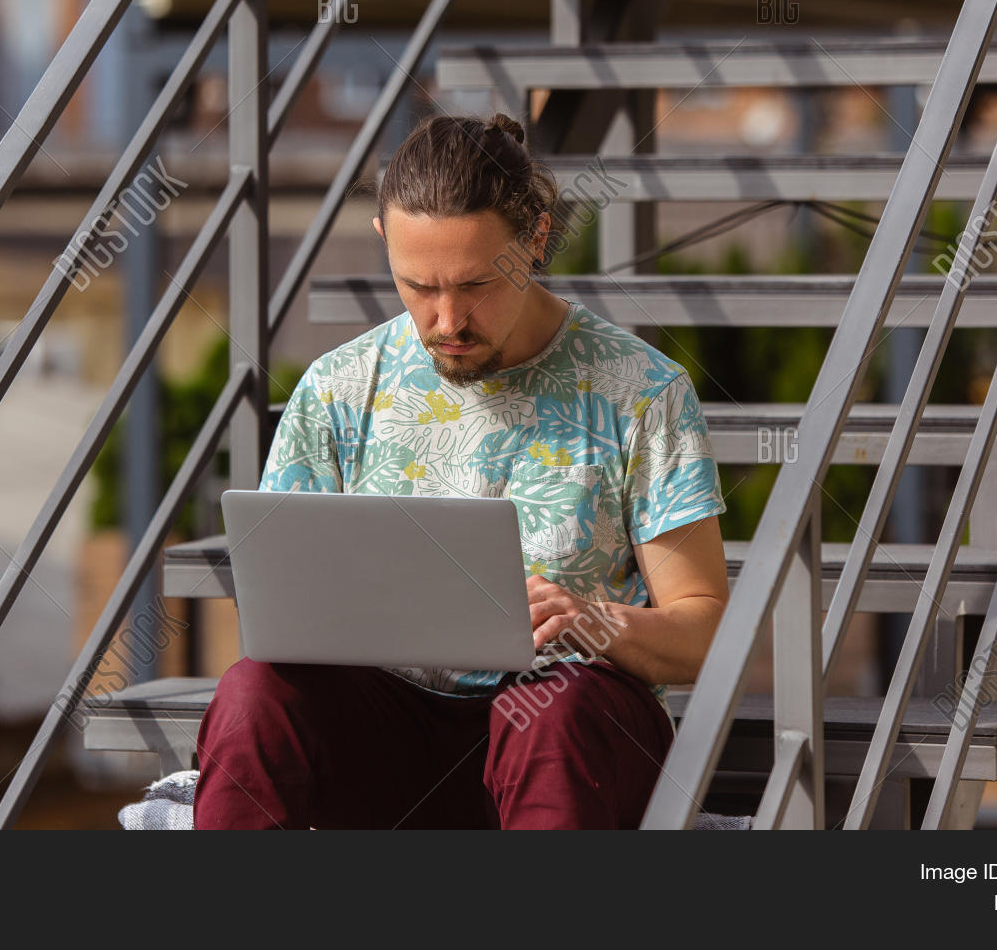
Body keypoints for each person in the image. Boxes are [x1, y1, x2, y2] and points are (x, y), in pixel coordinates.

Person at [193, 112, 729, 829]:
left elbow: (705, 632)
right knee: (252, 693)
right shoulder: (338, 387)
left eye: (476, 284)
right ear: (384, 242)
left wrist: (597, 622)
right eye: (418, 286)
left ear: (537, 237)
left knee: (552, 714)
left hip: (564, 727)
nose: (446, 320)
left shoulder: (639, 391)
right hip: (389, 735)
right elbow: (281, 616)